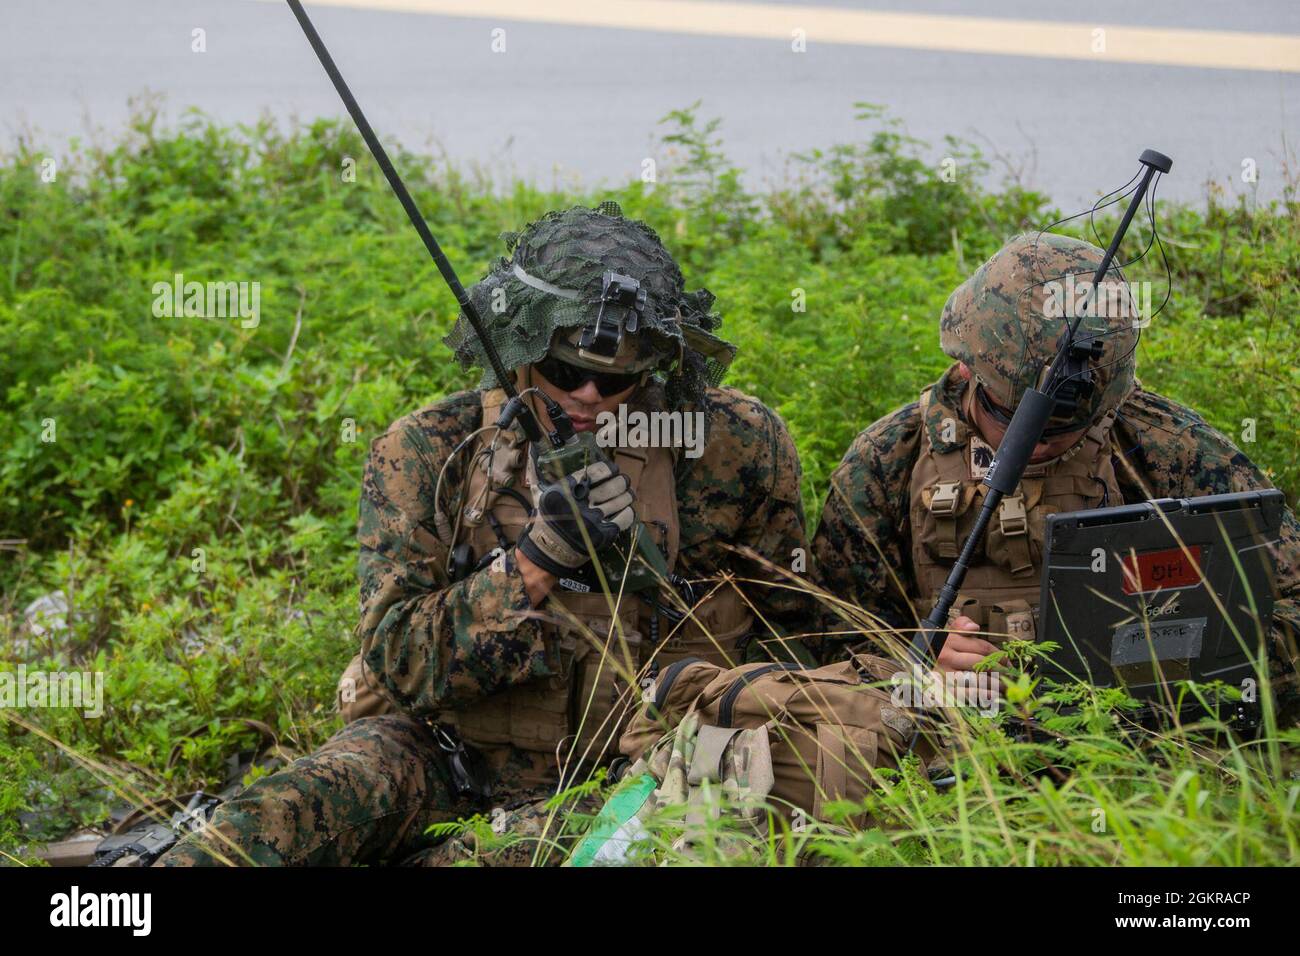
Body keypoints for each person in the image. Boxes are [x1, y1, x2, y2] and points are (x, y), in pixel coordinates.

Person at [160, 203, 814, 866]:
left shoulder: (732, 447)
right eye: (565, 372)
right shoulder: (429, 449)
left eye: (616, 380)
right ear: (519, 348)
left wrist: (697, 751)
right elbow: (399, 661)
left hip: (638, 779)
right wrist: (538, 559)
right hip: (448, 756)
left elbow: (798, 637)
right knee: (276, 817)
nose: (589, 396)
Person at [812, 232, 1299, 711]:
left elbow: (1290, 604)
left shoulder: (1167, 446)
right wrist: (912, 670)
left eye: (1067, 429)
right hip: (947, 741)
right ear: (966, 370)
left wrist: (1174, 662)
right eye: (1015, 420)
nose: (1040, 443)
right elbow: (827, 642)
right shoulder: (888, 460)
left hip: (1135, 739)